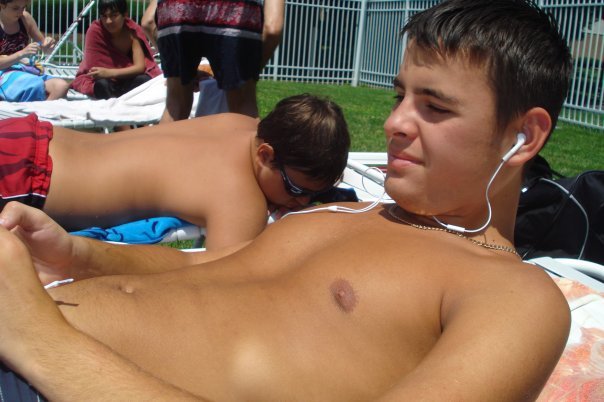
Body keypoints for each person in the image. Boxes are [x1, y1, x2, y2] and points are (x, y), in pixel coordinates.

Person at [0, 0, 573, 400]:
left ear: (524, 136)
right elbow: (215, 270)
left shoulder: (512, 294)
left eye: (435, 107)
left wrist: (42, 343)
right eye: (400, 97)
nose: (395, 123)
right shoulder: (353, 211)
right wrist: (79, 255)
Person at [0, 93, 350, 250]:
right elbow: (231, 285)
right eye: (295, 190)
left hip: (36, 137)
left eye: (314, 196)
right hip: (27, 180)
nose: (302, 203)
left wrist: (287, 191)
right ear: (265, 154)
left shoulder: (239, 123)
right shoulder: (240, 196)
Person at [156, 0, 285, 122]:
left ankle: (162, 140)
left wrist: (178, 68)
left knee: (175, 105)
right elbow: (273, 29)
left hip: (176, 6)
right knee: (242, 110)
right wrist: (248, 77)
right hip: (234, 10)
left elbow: (148, 22)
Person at [70, 0, 161, 99]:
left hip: (127, 79)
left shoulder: (132, 32)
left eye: (114, 15)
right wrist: (106, 74)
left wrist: (109, 72)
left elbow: (140, 67)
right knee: (102, 85)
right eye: (104, 16)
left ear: (125, 14)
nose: (108, 21)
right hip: (106, 82)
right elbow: (94, 70)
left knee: (144, 80)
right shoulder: (95, 32)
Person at [0, 0, 69, 101]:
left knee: (61, 86)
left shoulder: (25, 19)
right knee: (34, 84)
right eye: (15, 8)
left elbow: (44, 47)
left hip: (24, 70)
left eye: (23, 7)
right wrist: (21, 54)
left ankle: (42, 110)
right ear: (2, 5)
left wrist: (48, 45)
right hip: (3, 72)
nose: (20, 12)